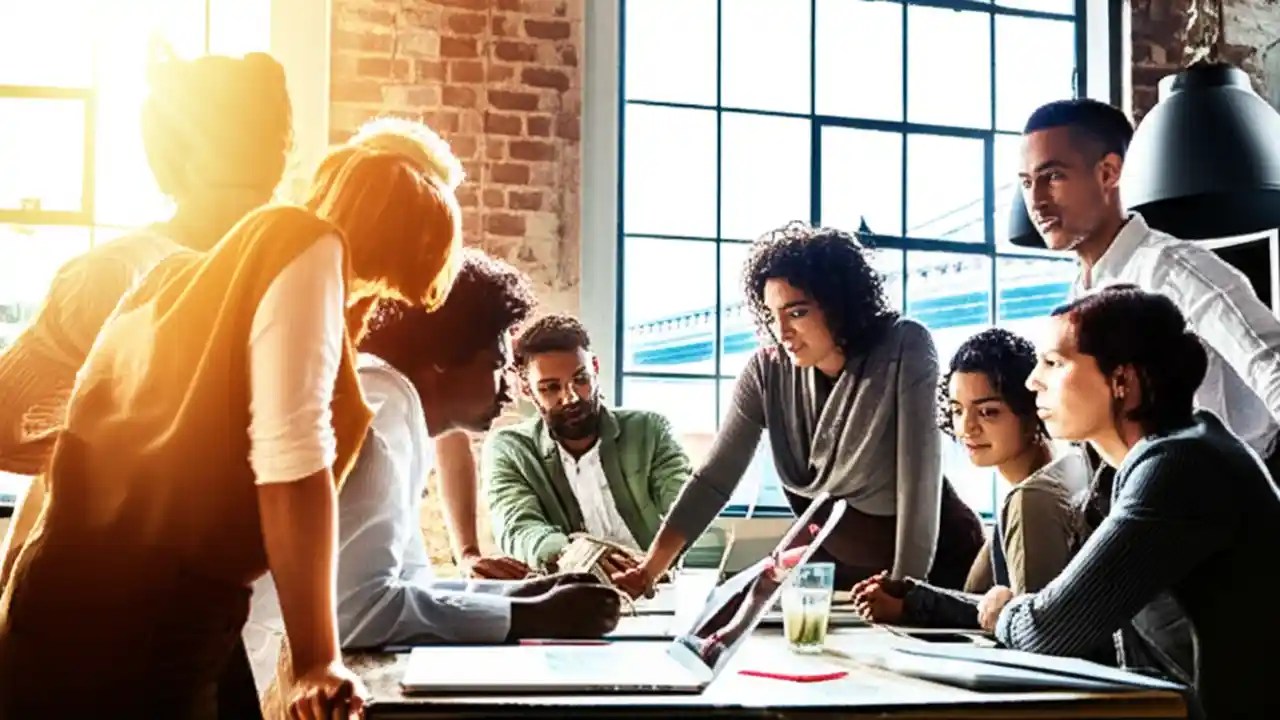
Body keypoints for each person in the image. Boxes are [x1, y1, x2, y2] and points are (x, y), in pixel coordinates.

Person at [0, 126, 466, 718]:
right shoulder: (307, 245)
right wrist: (318, 659)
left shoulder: (177, 276)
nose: (369, 301)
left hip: (68, 605)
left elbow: (74, 444)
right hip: (144, 620)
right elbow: (294, 463)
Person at [0, 50, 293, 720]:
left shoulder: (272, 275)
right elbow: (2, 421)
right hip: (85, 625)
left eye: (272, 147)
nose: (264, 175)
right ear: (182, 159)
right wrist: (120, 464)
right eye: (243, 149)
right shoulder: (116, 272)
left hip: (199, 618)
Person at [249, 249, 621, 714]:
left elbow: (408, 584)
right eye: (494, 363)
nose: (506, 385)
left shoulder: (390, 405)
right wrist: (530, 615)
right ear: (443, 360)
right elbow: (355, 613)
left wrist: (521, 592)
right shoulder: (378, 426)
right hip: (262, 690)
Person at [615, 221, 985, 598]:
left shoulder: (906, 347)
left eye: (797, 313)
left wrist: (905, 591)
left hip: (936, 562)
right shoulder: (767, 370)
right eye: (772, 315)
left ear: (839, 304)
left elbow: (918, 482)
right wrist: (649, 571)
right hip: (840, 562)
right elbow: (713, 481)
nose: (782, 332)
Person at [980, 285, 1280, 719]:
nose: (1032, 381)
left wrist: (1001, 612)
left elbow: (1048, 630)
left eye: (1053, 363)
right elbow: (1067, 607)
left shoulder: (1179, 467)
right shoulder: (1169, 454)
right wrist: (925, 604)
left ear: (1122, 381)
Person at [1020, 98, 1280, 478]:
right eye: (1027, 183)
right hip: (1161, 488)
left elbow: (1271, 362)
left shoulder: (1175, 270)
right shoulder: (1081, 293)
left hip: (1244, 487)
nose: (1037, 201)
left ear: (1109, 173)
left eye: (1053, 177)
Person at [851, 329, 1089, 629]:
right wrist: (913, 598)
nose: (967, 427)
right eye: (957, 410)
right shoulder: (1066, 468)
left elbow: (1035, 630)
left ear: (1032, 411)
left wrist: (910, 609)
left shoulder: (1032, 499)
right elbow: (982, 600)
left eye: (988, 412)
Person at [483, 314, 693, 571]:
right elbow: (518, 527)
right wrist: (583, 559)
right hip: (566, 591)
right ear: (527, 390)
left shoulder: (651, 430)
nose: (570, 397)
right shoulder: (511, 449)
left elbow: (685, 507)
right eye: (550, 388)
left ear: (594, 367)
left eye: (581, 380)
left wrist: (651, 566)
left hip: (657, 583)